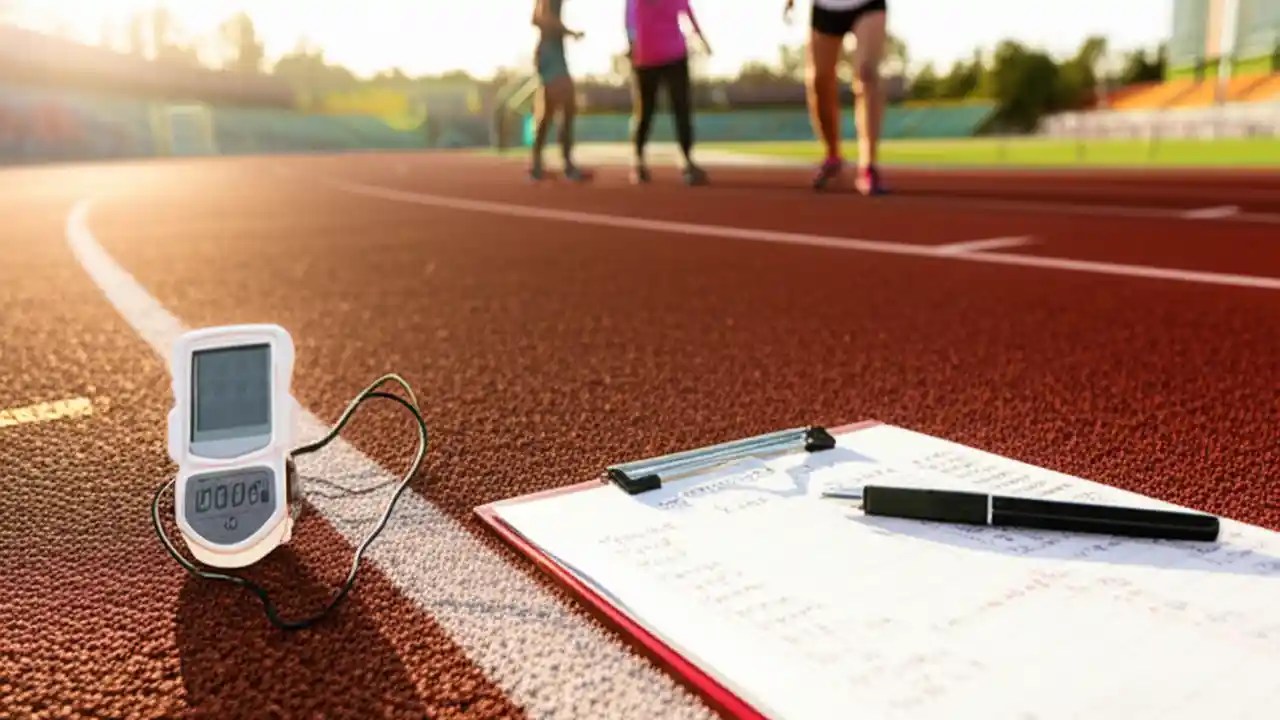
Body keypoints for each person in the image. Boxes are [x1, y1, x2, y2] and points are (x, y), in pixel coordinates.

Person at [785, 0, 888, 195]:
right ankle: (833, 156)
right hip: (826, 8)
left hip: (868, 5)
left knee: (867, 74)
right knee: (819, 80)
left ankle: (868, 166)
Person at [625, 0, 710, 186]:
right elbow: (629, 20)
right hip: (650, 56)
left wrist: (702, 39)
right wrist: (632, 45)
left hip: (667, 55)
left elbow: (688, 12)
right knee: (651, 111)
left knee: (677, 109)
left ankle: (685, 161)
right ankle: (640, 162)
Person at [530, 0, 589, 181]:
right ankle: (565, 164)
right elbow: (539, 18)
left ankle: (538, 164)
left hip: (555, 52)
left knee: (551, 111)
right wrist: (569, 32)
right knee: (566, 105)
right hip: (550, 53)